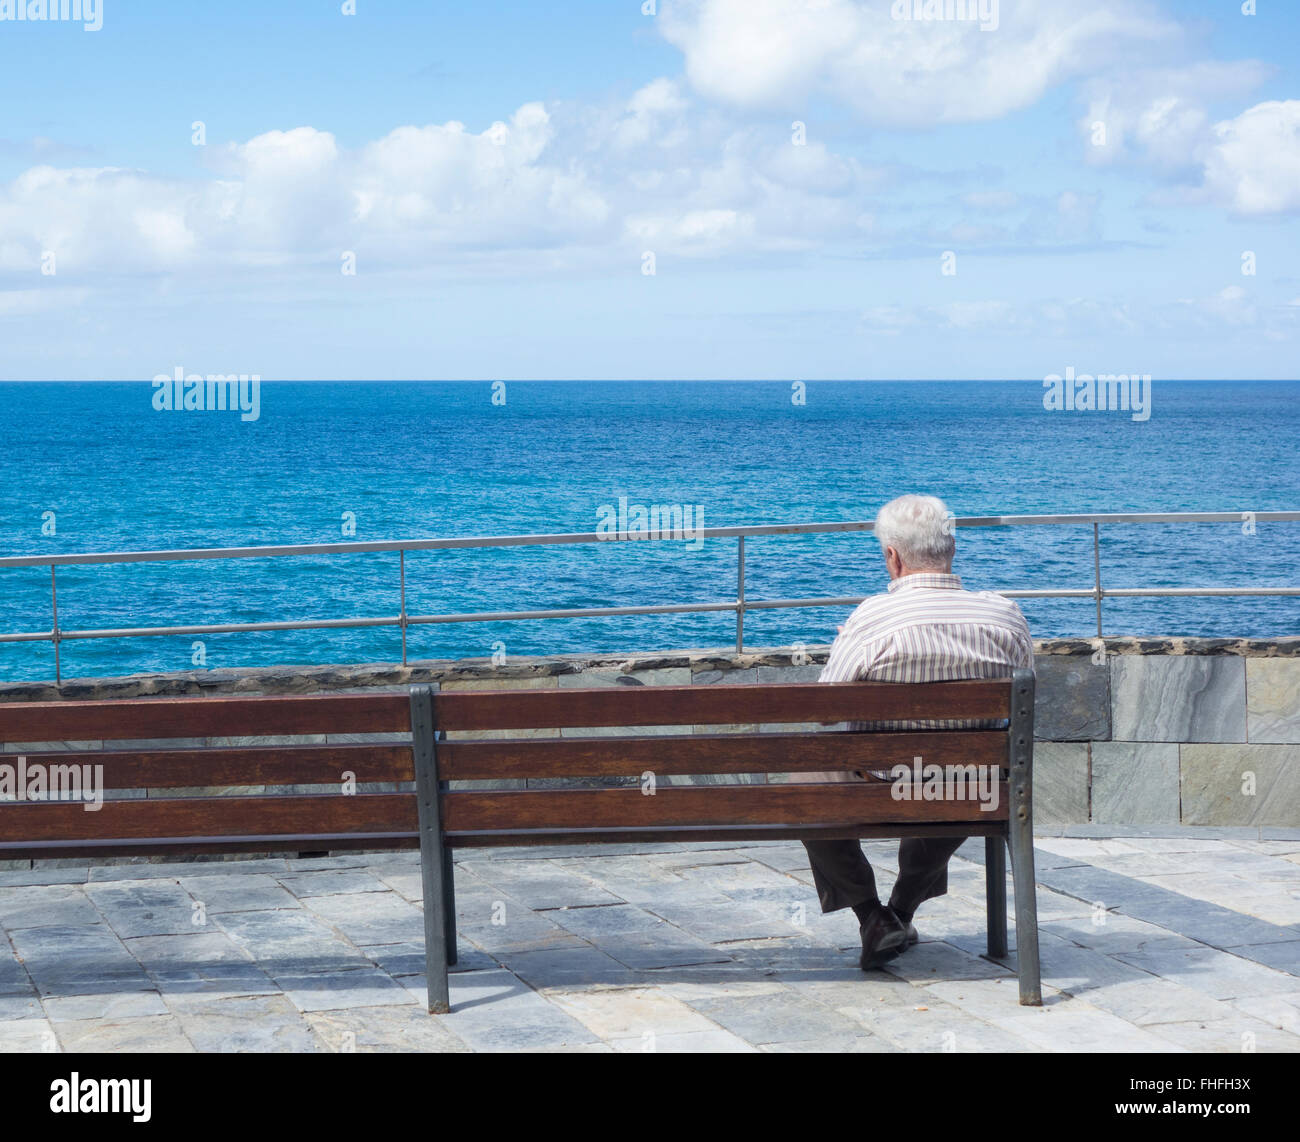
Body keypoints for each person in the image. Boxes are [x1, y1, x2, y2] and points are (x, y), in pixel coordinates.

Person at [803, 493, 1034, 969]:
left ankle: (874, 916)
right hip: (973, 787)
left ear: (892, 556)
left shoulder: (873, 618)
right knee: (963, 776)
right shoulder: (1004, 616)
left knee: (802, 789)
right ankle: (900, 910)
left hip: (883, 785)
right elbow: (1027, 700)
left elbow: (825, 707)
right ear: (949, 550)